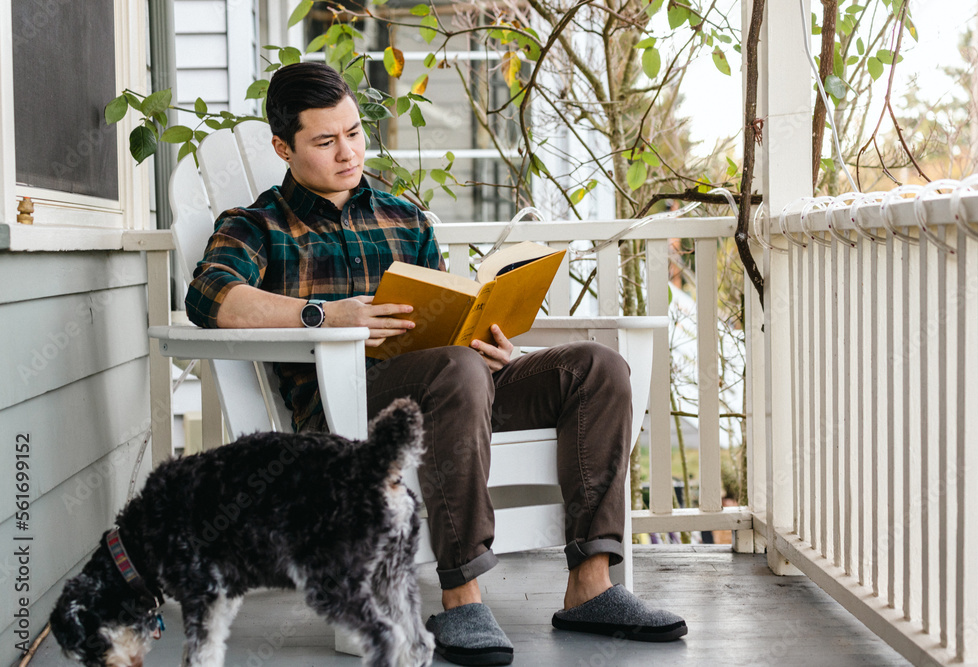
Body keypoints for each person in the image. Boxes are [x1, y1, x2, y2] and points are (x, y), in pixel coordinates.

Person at [186, 61, 686, 666]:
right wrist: (326, 314)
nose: (347, 152)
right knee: (457, 371)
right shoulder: (258, 226)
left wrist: (492, 341)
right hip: (346, 415)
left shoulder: (405, 218)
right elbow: (210, 296)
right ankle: (462, 598)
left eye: (353, 133)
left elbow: (450, 313)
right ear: (282, 147)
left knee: (597, 367)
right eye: (325, 141)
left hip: (455, 385)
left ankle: (592, 586)